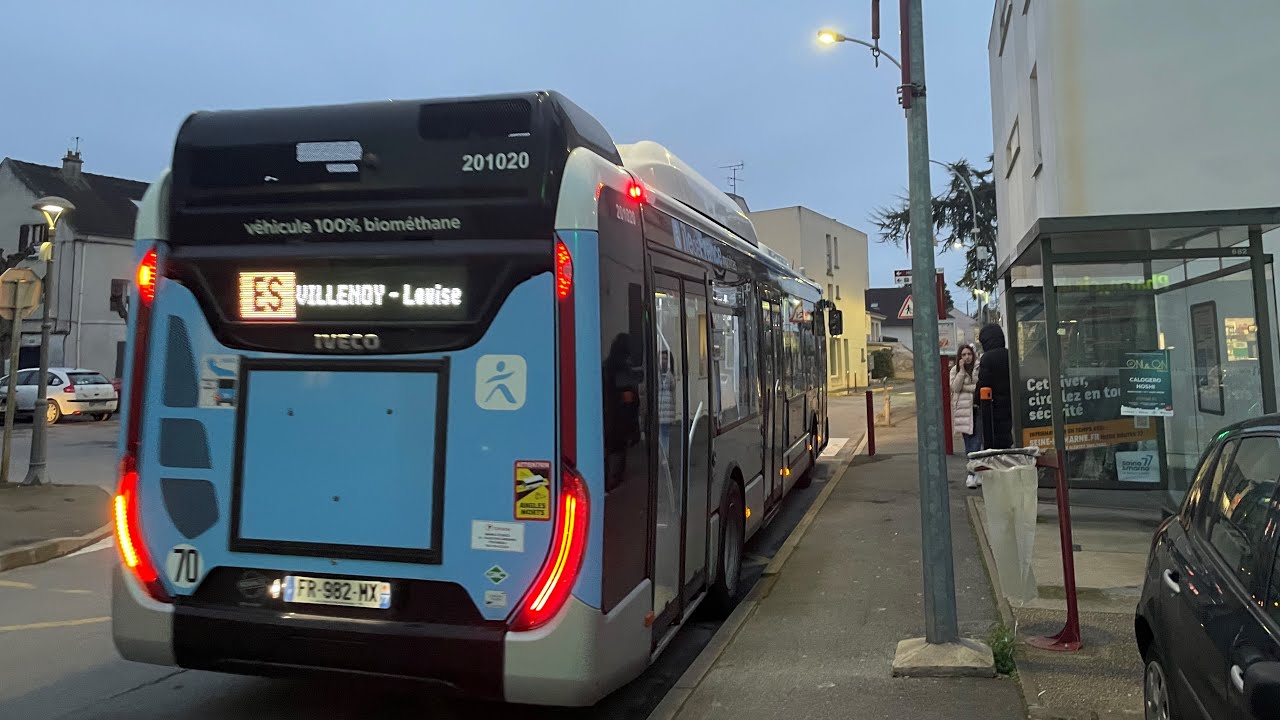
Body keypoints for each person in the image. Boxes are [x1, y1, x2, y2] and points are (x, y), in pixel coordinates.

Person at [977, 323, 1014, 450]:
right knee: (1006, 435)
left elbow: (983, 383)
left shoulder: (987, 358)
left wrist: (976, 400)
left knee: (994, 440)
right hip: (1009, 404)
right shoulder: (1010, 355)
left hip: (993, 407)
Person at [951, 343, 982, 488]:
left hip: (976, 408)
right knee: (968, 443)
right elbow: (955, 387)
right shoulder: (955, 370)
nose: (967, 357)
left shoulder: (978, 368)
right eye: (963, 355)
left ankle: (972, 474)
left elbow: (979, 387)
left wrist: (966, 388)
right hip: (962, 411)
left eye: (969, 354)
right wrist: (962, 371)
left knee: (976, 441)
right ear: (959, 357)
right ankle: (976, 472)